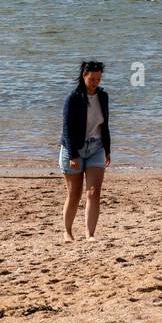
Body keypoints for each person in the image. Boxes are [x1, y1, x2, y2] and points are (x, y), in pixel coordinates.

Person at [60, 60, 111, 240]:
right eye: (92, 79)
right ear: (84, 76)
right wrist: (73, 154)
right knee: (74, 194)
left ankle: (90, 234)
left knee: (94, 192)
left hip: (96, 147)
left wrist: (108, 150)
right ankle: (67, 232)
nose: (95, 82)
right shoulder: (73, 98)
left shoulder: (103, 97)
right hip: (73, 149)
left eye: (98, 79)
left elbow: (105, 125)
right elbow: (66, 128)